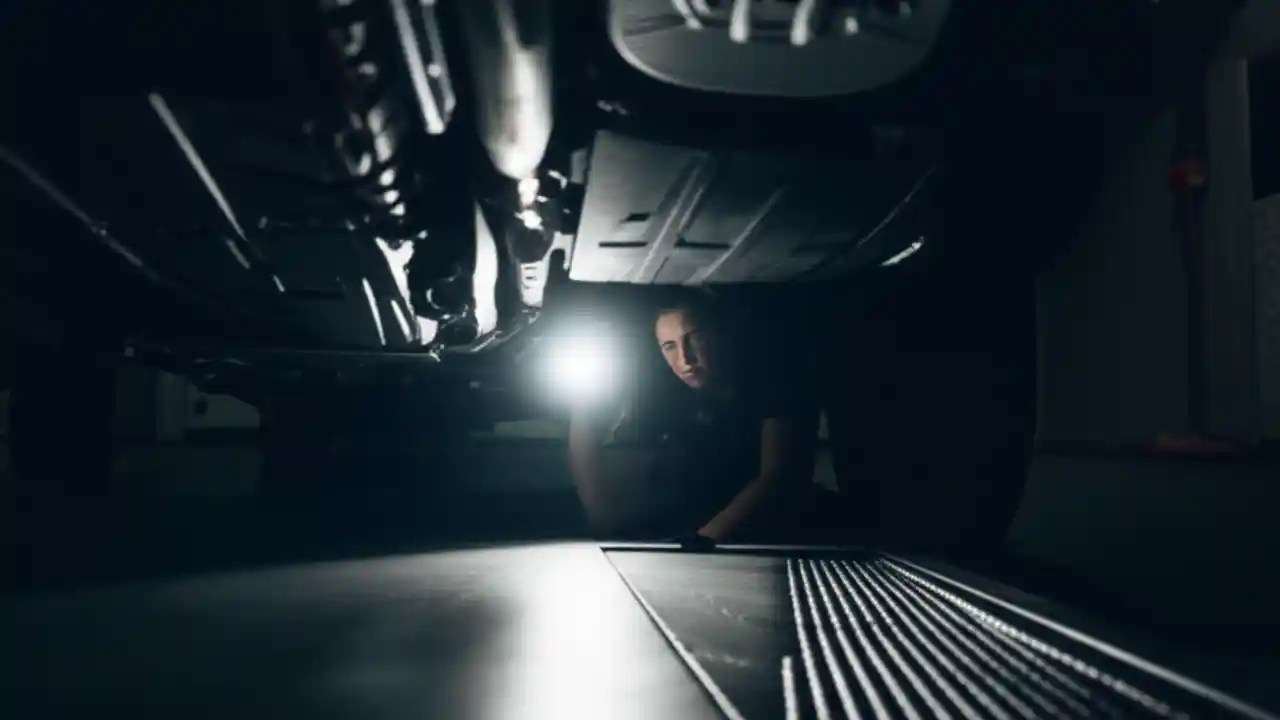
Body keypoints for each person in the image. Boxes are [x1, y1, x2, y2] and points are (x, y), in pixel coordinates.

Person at [567, 291, 830, 545]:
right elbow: (585, 420)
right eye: (669, 346)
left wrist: (702, 542)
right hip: (682, 532)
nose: (685, 358)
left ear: (723, 335)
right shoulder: (662, 392)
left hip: (765, 533)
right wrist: (602, 519)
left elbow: (778, 474)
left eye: (696, 338)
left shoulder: (774, 384)